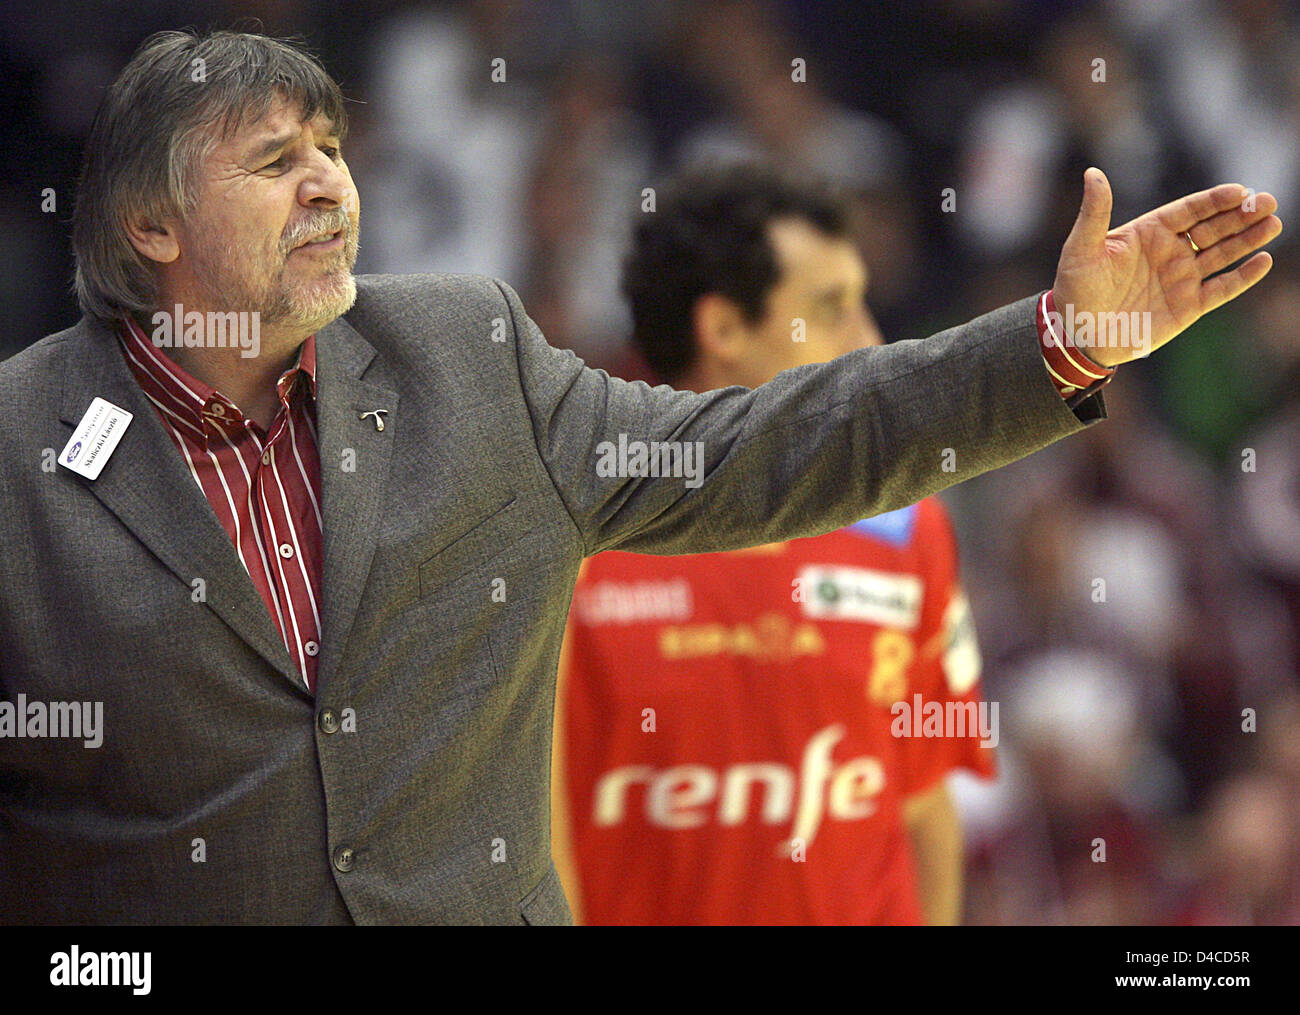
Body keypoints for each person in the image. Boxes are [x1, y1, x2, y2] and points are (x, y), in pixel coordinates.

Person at [0, 29, 1281, 925]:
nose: (329, 182)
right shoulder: (18, 452)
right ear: (149, 226)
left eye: (330, 146)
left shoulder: (463, 352)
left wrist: (1052, 344)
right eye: (275, 161)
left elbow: (768, 445)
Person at [551, 165, 994, 925]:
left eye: (866, 304)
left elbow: (925, 814)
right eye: (831, 310)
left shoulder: (909, 527)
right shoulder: (573, 543)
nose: (873, 343)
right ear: (722, 329)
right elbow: (537, 836)